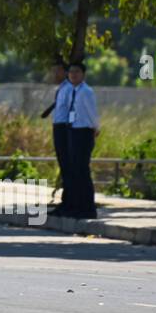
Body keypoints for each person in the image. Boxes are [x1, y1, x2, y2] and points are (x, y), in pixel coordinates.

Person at [64, 60, 100, 219]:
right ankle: (77, 206)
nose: (73, 75)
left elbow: (92, 112)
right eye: (71, 72)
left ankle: (88, 208)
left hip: (84, 132)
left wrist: (96, 128)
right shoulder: (73, 90)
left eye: (76, 72)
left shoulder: (86, 91)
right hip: (74, 130)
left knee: (83, 171)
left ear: (83, 74)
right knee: (75, 171)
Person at [41, 56, 74, 215]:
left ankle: (70, 202)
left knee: (68, 166)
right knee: (64, 165)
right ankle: (66, 201)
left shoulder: (69, 89)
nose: (54, 74)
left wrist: (70, 128)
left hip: (65, 129)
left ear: (65, 72)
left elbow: (72, 110)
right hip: (59, 128)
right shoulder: (62, 88)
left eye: (57, 71)